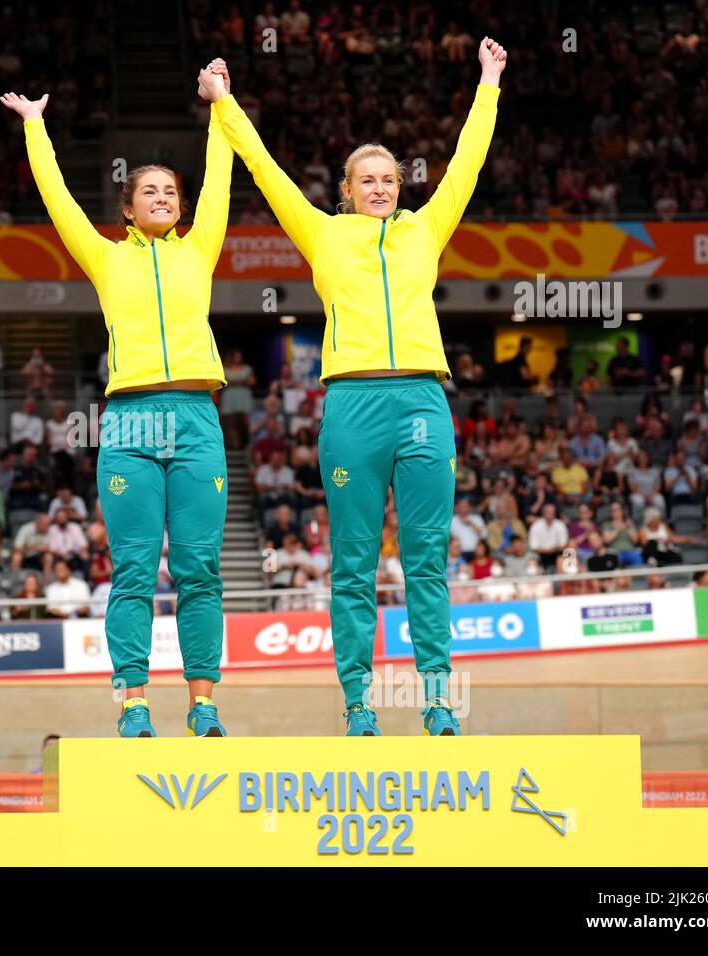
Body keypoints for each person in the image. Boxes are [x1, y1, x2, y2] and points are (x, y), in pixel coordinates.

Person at [206, 41, 506, 735]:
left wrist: (488, 81)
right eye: (366, 179)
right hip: (351, 406)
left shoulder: (427, 229)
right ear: (346, 190)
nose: (380, 186)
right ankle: (358, 704)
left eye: (390, 179)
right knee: (354, 564)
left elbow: (468, 161)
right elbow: (266, 168)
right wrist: (224, 104)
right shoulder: (322, 234)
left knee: (427, 558)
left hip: (425, 402)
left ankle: (436, 701)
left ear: (401, 187)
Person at [1, 62, 233, 739]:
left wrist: (220, 107)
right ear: (127, 210)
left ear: (180, 207)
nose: (162, 196)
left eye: (170, 190)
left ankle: (203, 702)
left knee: (200, 569)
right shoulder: (106, 258)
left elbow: (221, 175)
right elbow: (59, 203)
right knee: (133, 568)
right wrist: (37, 130)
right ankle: (133, 702)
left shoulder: (201, 248)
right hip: (132, 418)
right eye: (148, 191)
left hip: (195, 418)